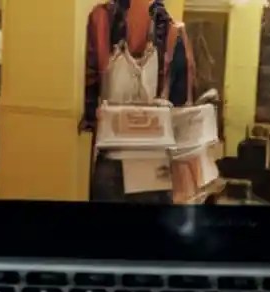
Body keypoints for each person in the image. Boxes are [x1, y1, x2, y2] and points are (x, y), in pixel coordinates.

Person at [81, 0, 195, 203]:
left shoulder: (174, 34)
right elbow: (91, 94)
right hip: (115, 165)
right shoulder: (101, 20)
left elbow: (182, 115)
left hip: (152, 169)